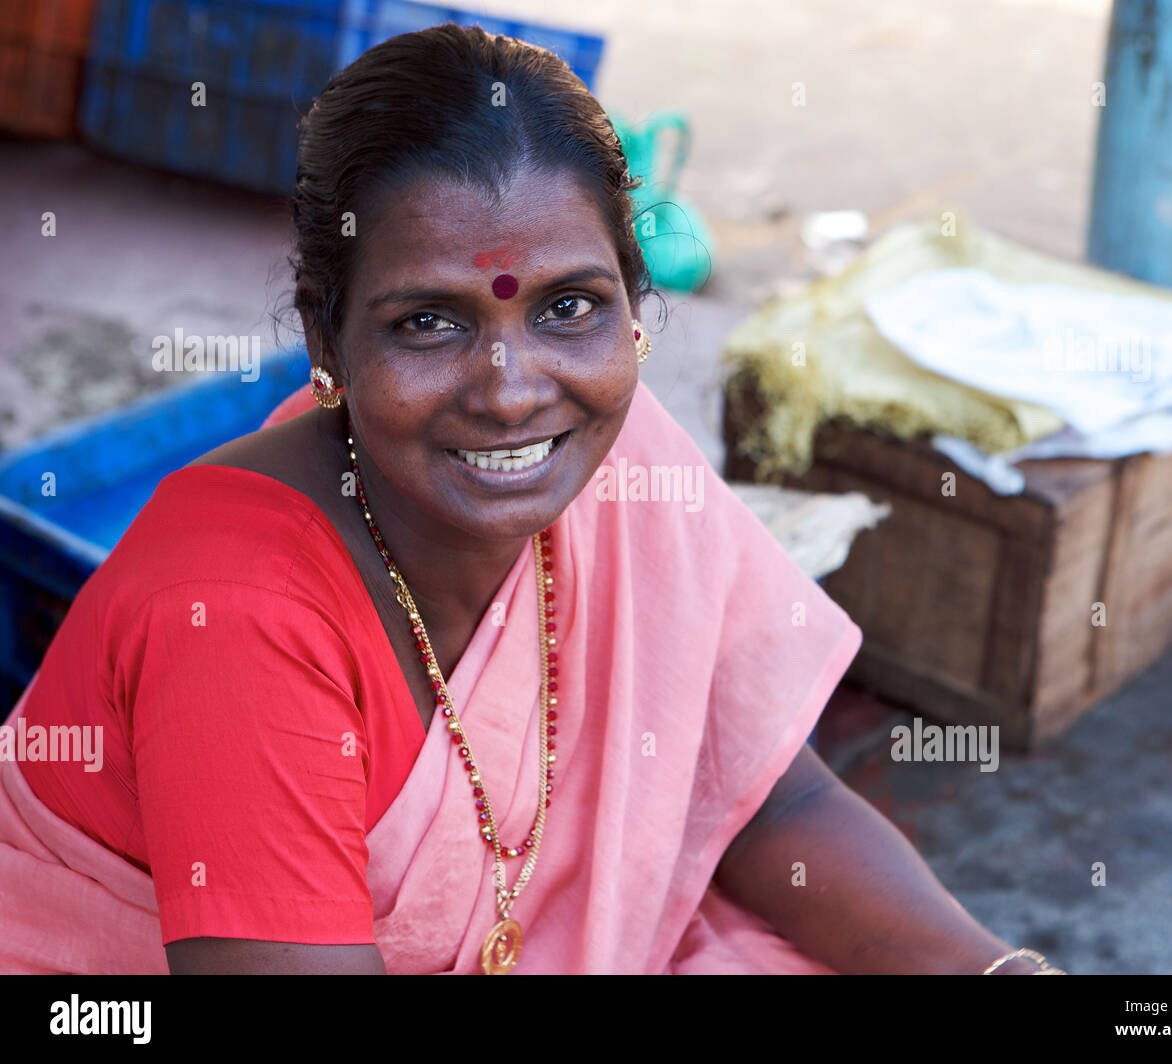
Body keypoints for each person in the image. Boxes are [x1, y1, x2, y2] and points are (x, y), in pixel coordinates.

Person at [0, 24, 1062, 975]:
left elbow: (768, 798)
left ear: (633, 311)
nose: (512, 390)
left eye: (568, 307)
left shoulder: (616, 458)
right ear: (327, 338)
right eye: (429, 322)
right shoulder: (236, 615)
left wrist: (997, 973)